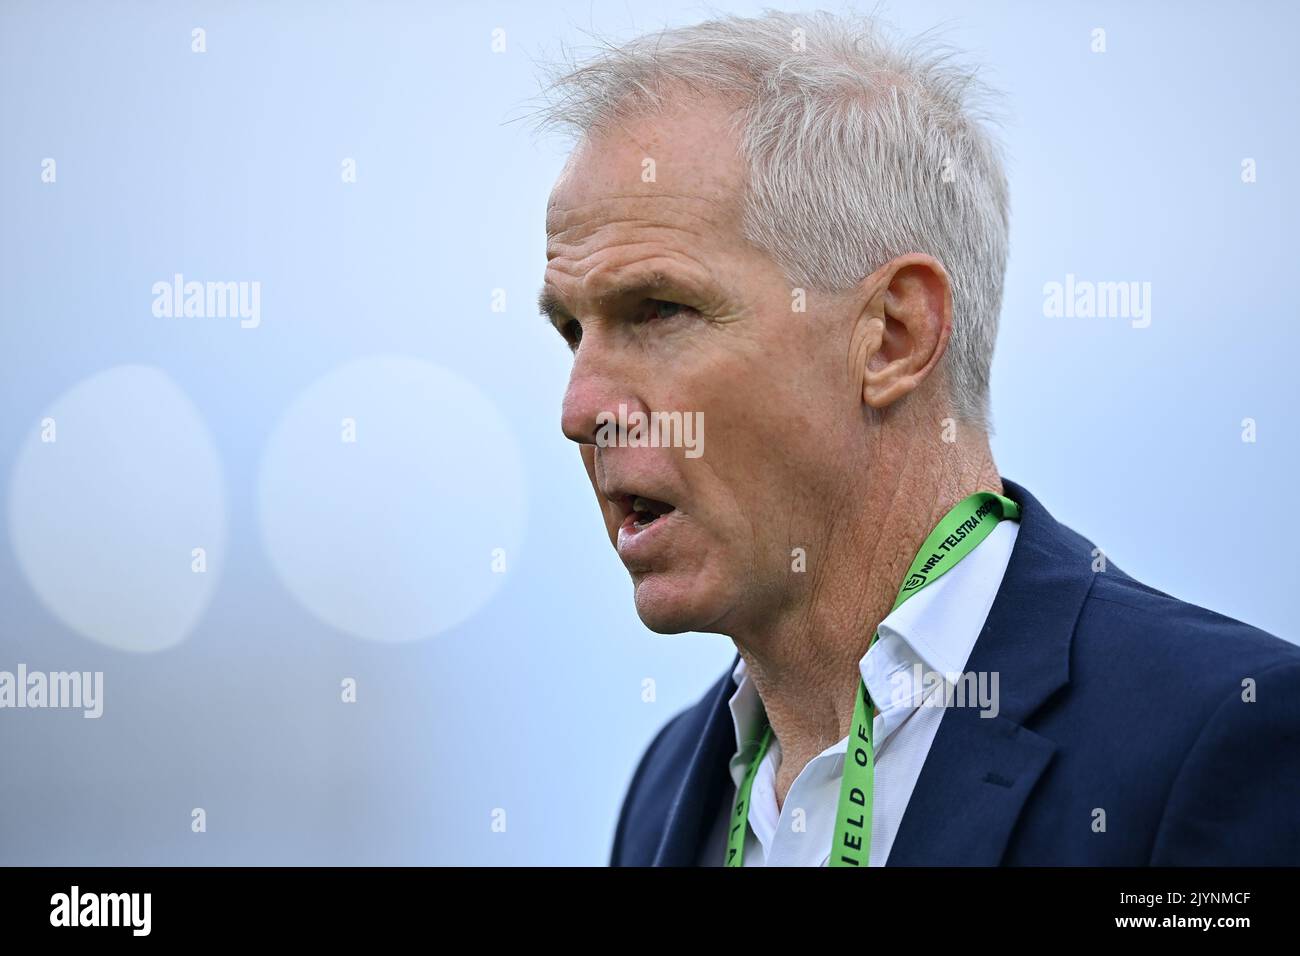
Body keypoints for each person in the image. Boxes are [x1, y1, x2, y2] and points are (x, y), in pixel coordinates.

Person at [533, 11, 1300, 866]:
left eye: (659, 310)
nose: (581, 408)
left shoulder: (1222, 734)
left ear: (893, 336)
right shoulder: (671, 780)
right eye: (572, 330)